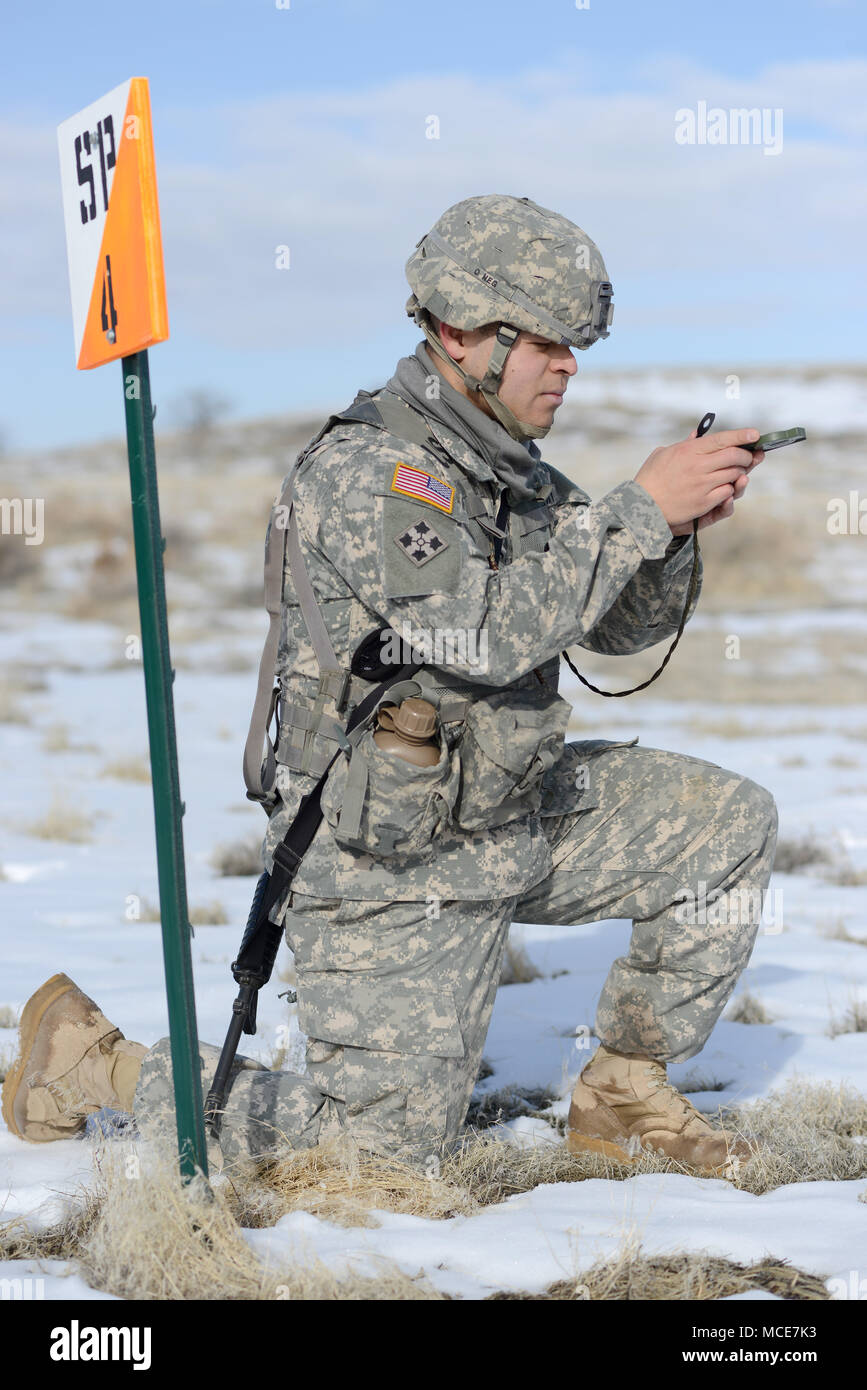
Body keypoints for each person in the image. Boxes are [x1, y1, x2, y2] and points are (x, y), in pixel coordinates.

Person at [3, 195, 777, 1180]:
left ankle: (623, 1094)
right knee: (372, 1165)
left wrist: (671, 530)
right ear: (460, 333)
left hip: (509, 812)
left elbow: (615, 628)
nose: (570, 367)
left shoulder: (515, 474)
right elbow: (481, 632)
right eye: (545, 342)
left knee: (727, 824)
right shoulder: (372, 475)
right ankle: (90, 1059)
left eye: (576, 345)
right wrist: (635, 510)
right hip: (390, 857)